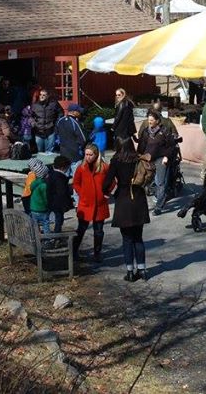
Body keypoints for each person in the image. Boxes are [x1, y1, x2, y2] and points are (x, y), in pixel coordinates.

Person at [103, 137, 150, 281]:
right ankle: (142, 269)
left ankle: (130, 271)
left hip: (123, 200)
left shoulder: (116, 161)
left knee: (127, 239)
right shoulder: (138, 159)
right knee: (138, 238)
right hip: (139, 199)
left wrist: (106, 192)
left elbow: (107, 181)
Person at [72, 143, 110, 261]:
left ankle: (97, 254)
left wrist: (106, 193)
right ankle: (73, 251)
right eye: (86, 154)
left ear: (96, 155)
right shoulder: (81, 167)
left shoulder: (104, 167)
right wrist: (82, 193)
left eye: (90, 154)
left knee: (98, 231)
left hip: (100, 204)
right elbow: (76, 183)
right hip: (85, 203)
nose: (88, 157)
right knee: (81, 229)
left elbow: (111, 181)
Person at [136, 110, 175, 215]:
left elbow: (171, 145)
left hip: (160, 159)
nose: (149, 122)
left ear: (157, 121)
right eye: (149, 120)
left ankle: (158, 207)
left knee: (159, 182)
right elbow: (142, 145)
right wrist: (139, 155)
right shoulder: (146, 131)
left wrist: (166, 156)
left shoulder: (164, 131)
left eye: (152, 120)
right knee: (143, 180)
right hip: (148, 159)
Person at [46, 155, 74, 233]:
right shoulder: (61, 178)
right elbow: (62, 192)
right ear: (63, 168)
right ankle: (57, 233)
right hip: (58, 203)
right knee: (59, 219)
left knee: (46, 218)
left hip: (49, 200)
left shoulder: (50, 174)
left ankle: (47, 232)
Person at [30, 89, 62, 154]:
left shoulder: (53, 104)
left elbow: (60, 113)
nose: (41, 96)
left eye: (44, 95)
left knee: (49, 153)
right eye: (40, 95)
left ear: (47, 96)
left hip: (50, 131)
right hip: (38, 132)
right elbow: (30, 115)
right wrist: (33, 123)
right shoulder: (35, 105)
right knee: (39, 152)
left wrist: (56, 124)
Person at [27, 158, 51, 233]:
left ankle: (36, 236)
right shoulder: (44, 186)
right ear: (44, 175)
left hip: (33, 209)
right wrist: (49, 206)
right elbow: (46, 199)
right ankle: (47, 237)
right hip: (43, 209)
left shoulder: (33, 183)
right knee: (45, 223)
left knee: (35, 224)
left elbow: (30, 189)